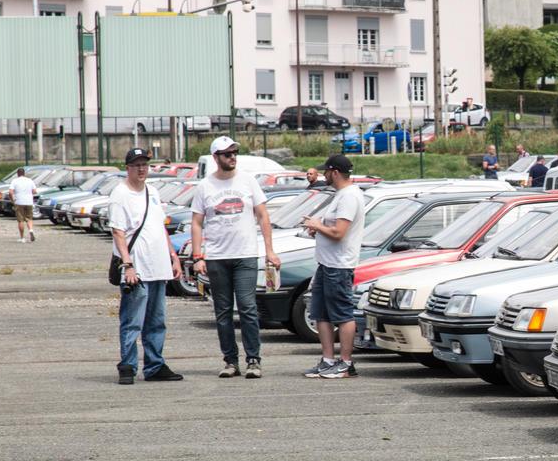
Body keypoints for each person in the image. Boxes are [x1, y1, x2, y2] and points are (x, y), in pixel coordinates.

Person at [190, 136, 281, 379]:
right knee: (223, 311)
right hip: (217, 257)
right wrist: (198, 256)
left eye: (234, 153)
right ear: (216, 157)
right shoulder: (205, 186)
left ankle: (253, 359)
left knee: (248, 307)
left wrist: (270, 250)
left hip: (245, 255)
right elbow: (197, 223)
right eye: (227, 154)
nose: (232, 157)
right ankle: (230, 360)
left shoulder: (248, 181)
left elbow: (263, 216)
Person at [110, 148, 183, 385]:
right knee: (132, 320)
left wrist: (173, 255)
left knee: (156, 320)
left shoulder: (151, 191)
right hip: (136, 269)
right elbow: (118, 232)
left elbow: (159, 226)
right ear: (127, 168)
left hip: (158, 265)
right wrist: (127, 265)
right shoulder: (120, 194)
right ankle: (128, 365)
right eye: (136, 165)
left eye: (145, 165)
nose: (141, 169)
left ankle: (155, 365)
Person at [301, 154, 367, 379]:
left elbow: (339, 233)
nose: (323, 175)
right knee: (320, 312)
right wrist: (316, 227)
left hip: (339, 265)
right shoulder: (341, 195)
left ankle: (346, 363)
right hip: (326, 263)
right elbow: (331, 227)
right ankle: (328, 360)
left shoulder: (349, 196)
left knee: (342, 313)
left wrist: (317, 226)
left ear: (335, 172)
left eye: (326, 171)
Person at [9, 167, 36, 243]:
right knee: (29, 218)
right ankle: (30, 230)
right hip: (29, 202)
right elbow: (34, 191)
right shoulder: (30, 180)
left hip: (19, 202)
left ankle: (22, 237)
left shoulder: (15, 181)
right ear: (24, 173)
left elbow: (10, 192)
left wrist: (12, 200)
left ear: (17, 174)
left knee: (20, 220)